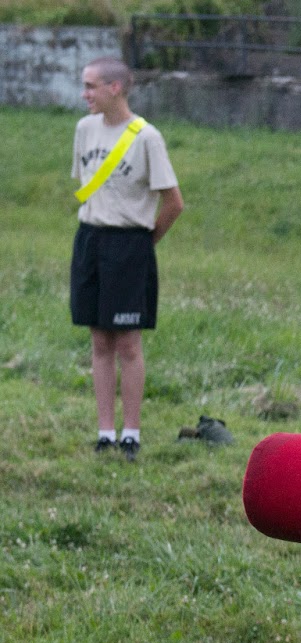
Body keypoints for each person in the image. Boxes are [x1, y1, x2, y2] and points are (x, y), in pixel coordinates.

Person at [71, 56, 184, 462]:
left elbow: (174, 202)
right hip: (90, 240)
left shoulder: (146, 137)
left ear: (114, 88)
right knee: (99, 339)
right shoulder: (84, 130)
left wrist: (144, 242)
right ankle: (105, 431)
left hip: (129, 244)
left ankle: (131, 432)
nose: (84, 94)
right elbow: (86, 187)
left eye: (90, 86)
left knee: (128, 344)